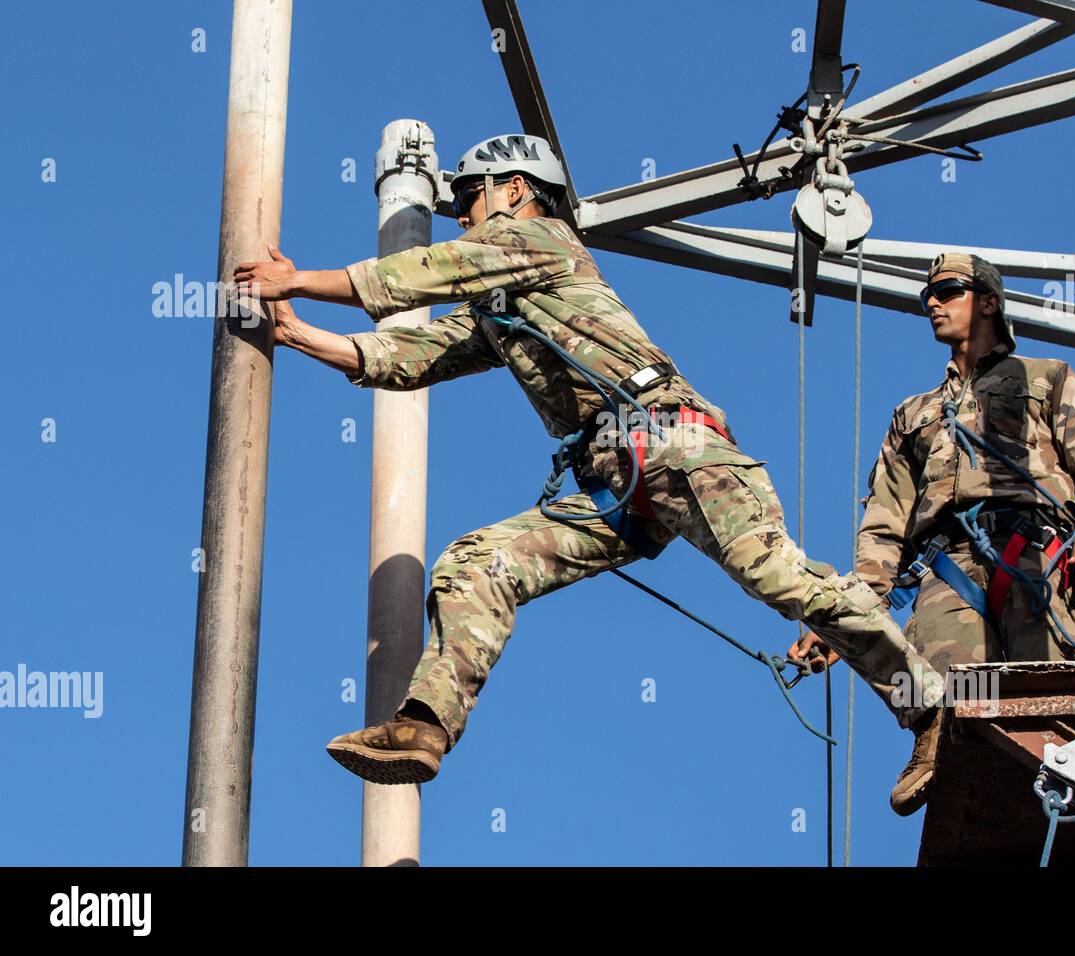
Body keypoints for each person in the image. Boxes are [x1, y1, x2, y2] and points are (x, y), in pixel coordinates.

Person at [234, 134, 946, 787]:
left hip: (676, 443)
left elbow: (424, 273)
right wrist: (298, 333)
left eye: (468, 196)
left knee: (778, 575)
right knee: (476, 562)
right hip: (618, 484)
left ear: (515, 189)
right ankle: (424, 726)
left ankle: (929, 710)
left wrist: (297, 281)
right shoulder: (501, 302)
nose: (460, 214)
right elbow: (410, 355)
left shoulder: (540, 239)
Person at [791, 252, 1075, 816]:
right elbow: (884, 523)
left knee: (1047, 703)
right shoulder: (913, 414)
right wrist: (851, 613)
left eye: (948, 291)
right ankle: (930, 738)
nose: (932, 302)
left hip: (1035, 555)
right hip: (947, 565)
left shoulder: (1046, 378)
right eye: (929, 294)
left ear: (989, 302)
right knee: (941, 696)